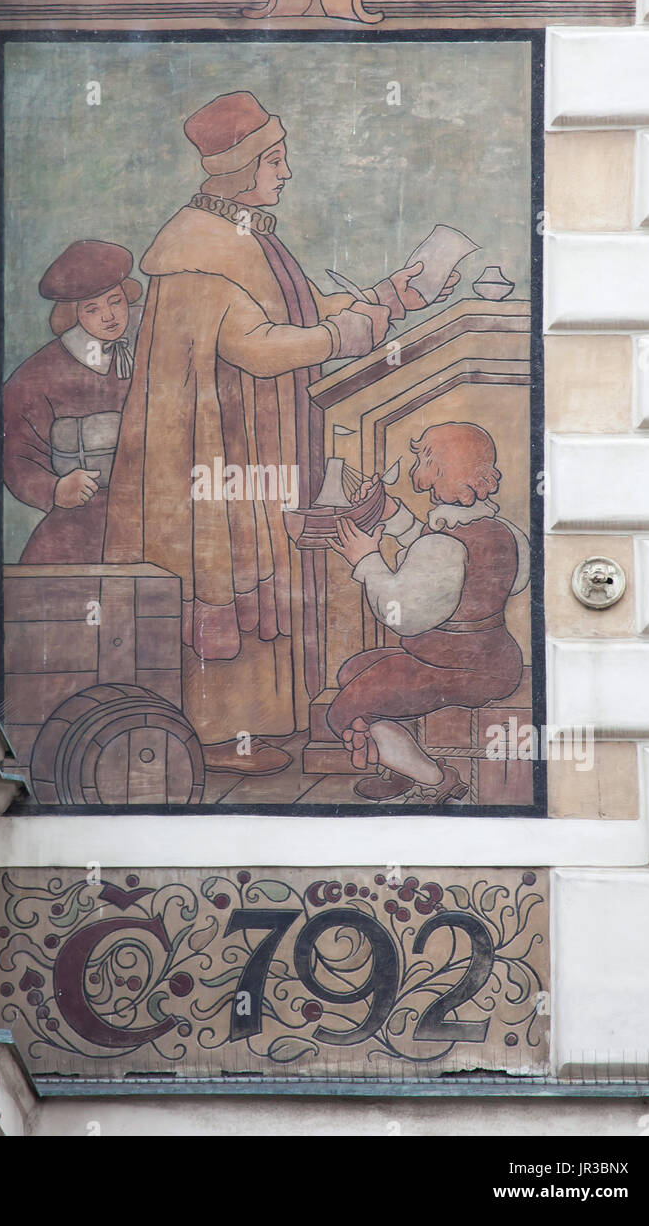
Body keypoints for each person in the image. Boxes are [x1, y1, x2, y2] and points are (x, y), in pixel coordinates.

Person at [104, 90, 457, 775]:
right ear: (240, 169)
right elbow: (255, 345)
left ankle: (252, 727)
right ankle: (211, 733)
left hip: (253, 447)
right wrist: (338, 335)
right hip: (216, 457)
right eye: (275, 158)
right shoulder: (198, 249)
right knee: (226, 577)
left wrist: (384, 298)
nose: (286, 171)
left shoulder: (243, 232)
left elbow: (290, 309)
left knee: (257, 575)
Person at [327, 422, 530, 802]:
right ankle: (403, 768)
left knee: (344, 712)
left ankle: (436, 780)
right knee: (353, 671)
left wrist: (366, 559)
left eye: (423, 458)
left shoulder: (441, 544)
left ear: (438, 468)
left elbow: (401, 613)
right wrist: (391, 512)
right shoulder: (503, 529)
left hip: (451, 668)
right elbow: (448, 563)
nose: (416, 466)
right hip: (498, 661)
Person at [3, 240, 141, 565]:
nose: (109, 316)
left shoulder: (155, 340)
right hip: (83, 522)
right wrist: (55, 489)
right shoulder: (40, 374)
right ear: (72, 314)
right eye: (92, 309)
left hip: (158, 512)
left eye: (115, 302)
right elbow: (13, 453)